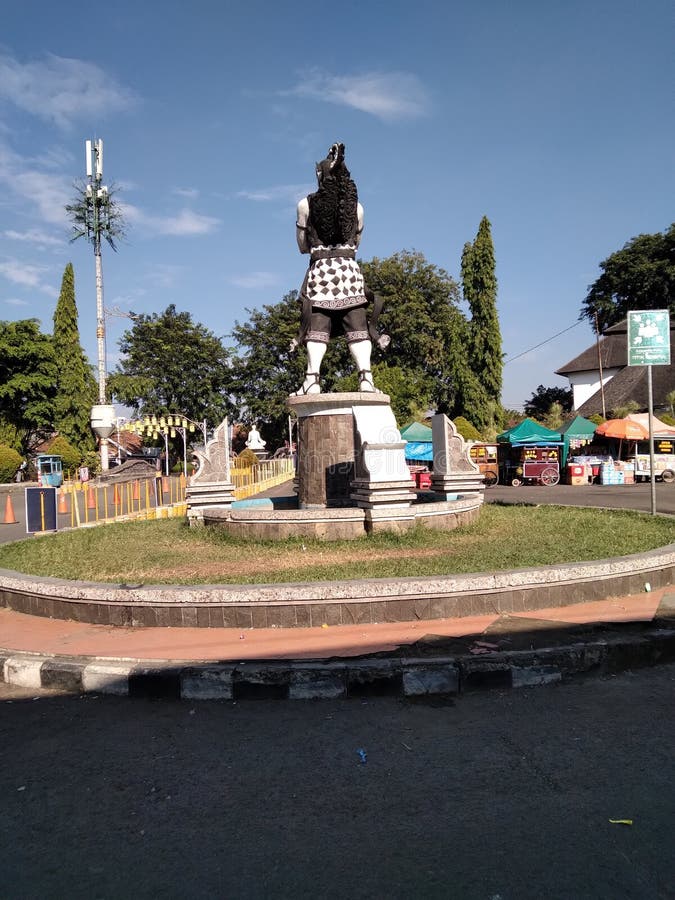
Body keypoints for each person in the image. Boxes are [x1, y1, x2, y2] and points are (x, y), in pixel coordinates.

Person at [290, 142, 388, 395]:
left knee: (317, 329)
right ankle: (366, 378)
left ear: (320, 176)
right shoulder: (358, 208)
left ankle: (312, 379)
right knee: (357, 327)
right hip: (349, 272)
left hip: (321, 272)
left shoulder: (305, 205)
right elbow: (356, 244)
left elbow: (302, 246)